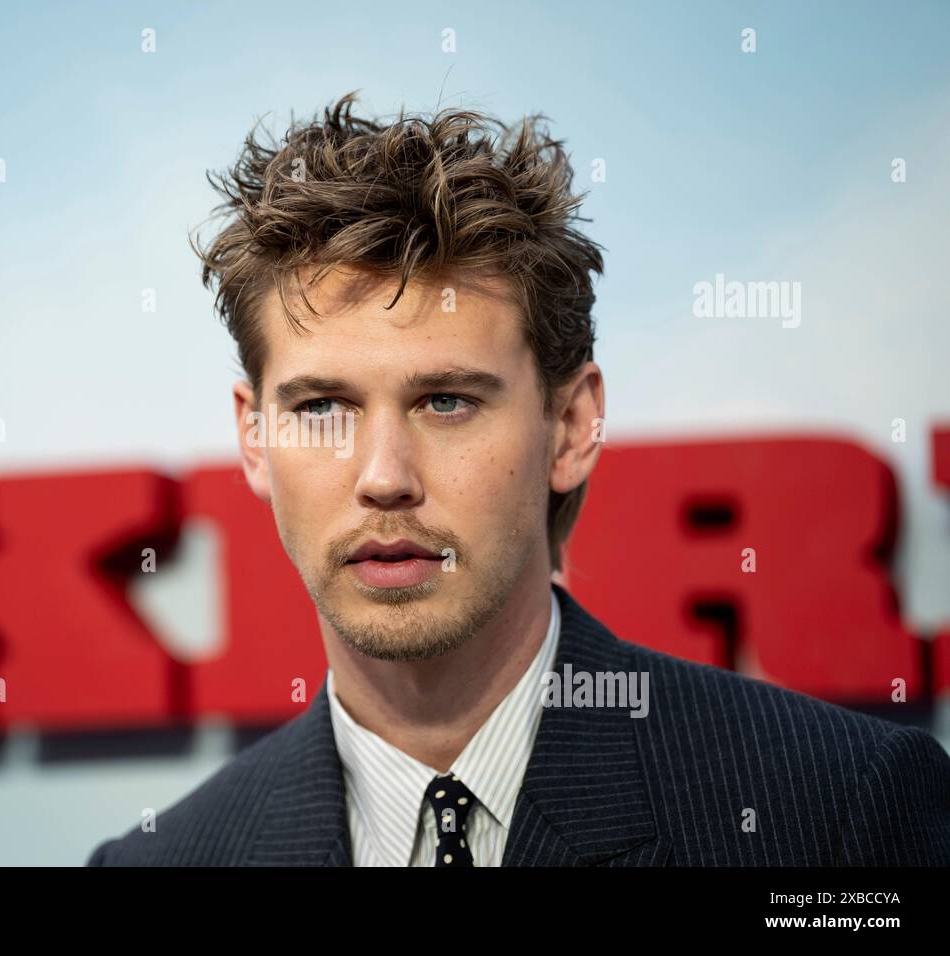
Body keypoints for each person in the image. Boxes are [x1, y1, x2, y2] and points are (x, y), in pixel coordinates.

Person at [88, 92, 950, 866]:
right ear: (253, 436)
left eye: (448, 401)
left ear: (571, 427)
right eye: (322, 409)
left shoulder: (842, 816)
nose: (384, 478)